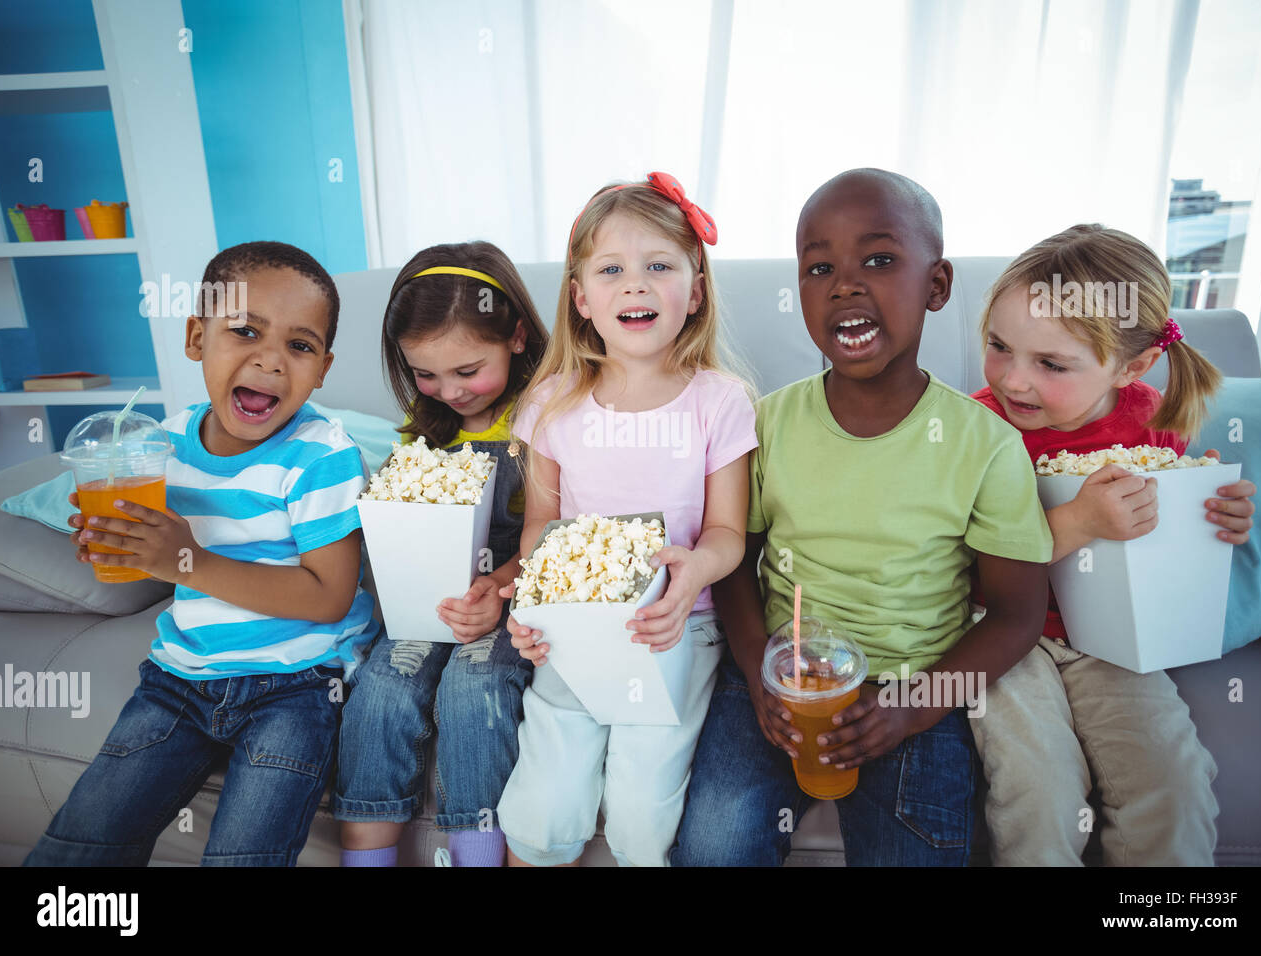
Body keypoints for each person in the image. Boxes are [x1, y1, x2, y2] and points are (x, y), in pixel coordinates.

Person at [670, 168, 1053, 866]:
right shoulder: (769, 423)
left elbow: (1016, 615)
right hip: (777, 685)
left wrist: (911, 709)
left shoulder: (986, 445)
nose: (845, 283)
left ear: (936, 286)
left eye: (878, 260)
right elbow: (731, 566)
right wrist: (759, 674)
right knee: (713, 846)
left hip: (911, 692)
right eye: (820, 267)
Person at [25, 241, 378, 866]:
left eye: (299, 346)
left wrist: (185, 560)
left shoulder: (323, 456)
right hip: (180, 680)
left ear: (322, 367)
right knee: (79, 847)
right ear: (197, 338)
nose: (270, 361)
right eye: (244, 332)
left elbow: (328, 596)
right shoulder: (161, 444)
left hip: (296, 687)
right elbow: (150, 555)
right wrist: (121, 542)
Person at [969, 223, 1258, 865]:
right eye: (998, 347)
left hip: (1116, 643)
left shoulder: (1151, 419)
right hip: (1000, 632)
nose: (1014, 380)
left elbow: (1167, 556)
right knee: (1037, 788)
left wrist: (1210, 516)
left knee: (1175, 784)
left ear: (1131, 365)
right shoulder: (971, 428)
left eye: (1050, 364)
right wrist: (1077, 522)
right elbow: (954, 568)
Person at [495, 172, 758, 866]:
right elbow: (541, 531)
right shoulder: (551, 404)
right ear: (581, 297)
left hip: (674, 628)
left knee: (642, 822)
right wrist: (532, 603)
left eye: (659, 267)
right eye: (611, 269)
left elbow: (729, 534)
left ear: (695, 290)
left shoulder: (721, 402)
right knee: (544, 809)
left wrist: (694, 568)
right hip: (573, 630)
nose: (635, 286)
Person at [333, 242, 549, 867]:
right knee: (379, 690)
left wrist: (500, 591)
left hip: (515, 593)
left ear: (514, 335)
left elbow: (557, 527)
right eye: (426, 374)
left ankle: (477, 851)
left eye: (466, 370)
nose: (449, 391)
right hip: (430, 599)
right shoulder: (422, 432)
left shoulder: (548, 420)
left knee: (474, 686)